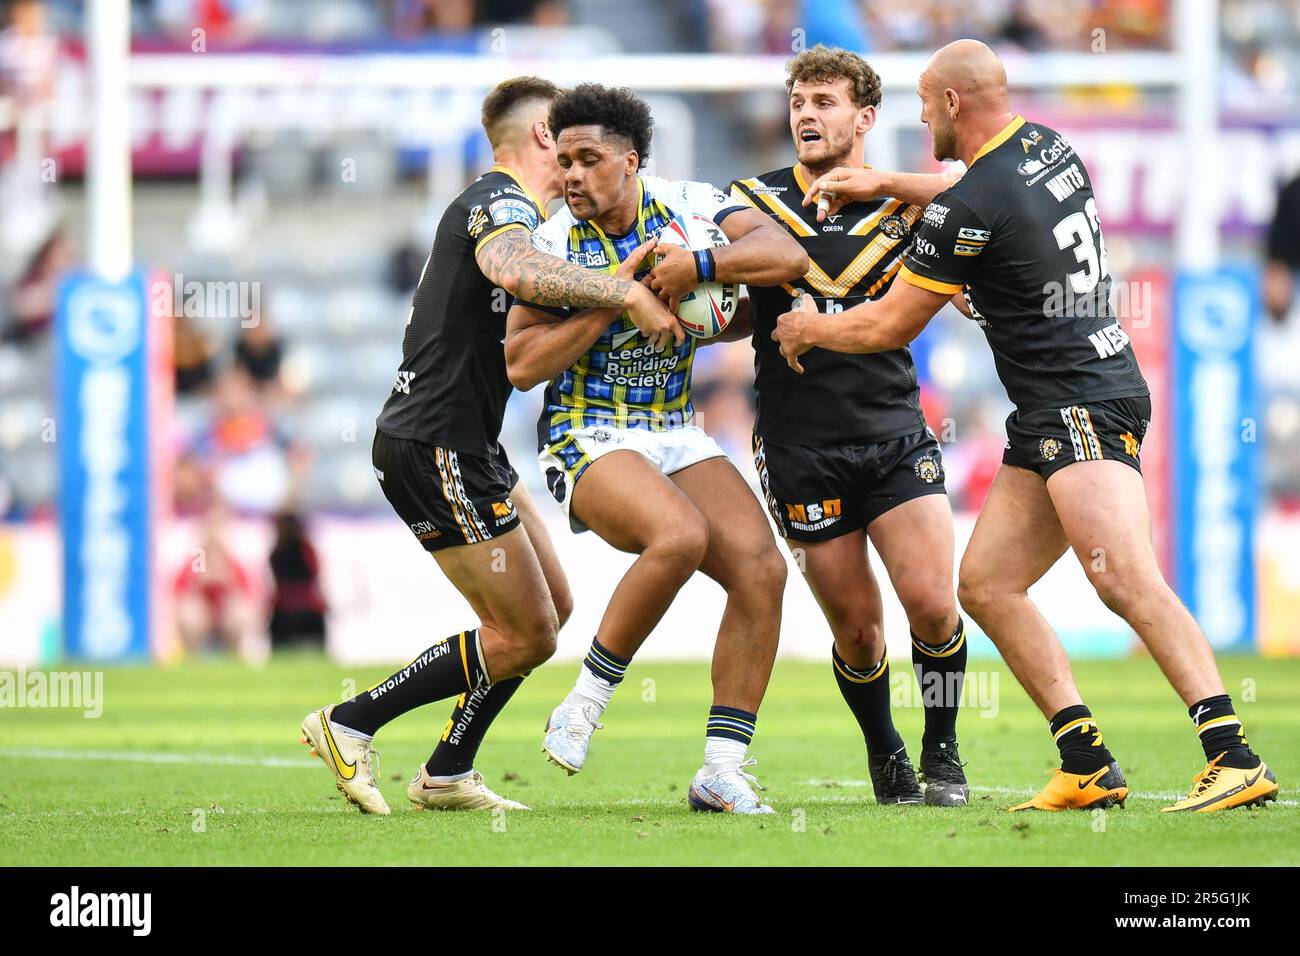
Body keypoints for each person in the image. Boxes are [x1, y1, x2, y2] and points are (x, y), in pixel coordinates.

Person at [775, 39, 1278, 813]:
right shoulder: (1048, 145)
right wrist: (884, 181)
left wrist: (809, 332)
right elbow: (972, 194)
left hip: (1078, 402)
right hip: (1065, 401)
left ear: (950, 104)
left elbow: (884, 325)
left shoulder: (964, 206)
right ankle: (1086, 761)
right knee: (986, 584)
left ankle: (1232, 755)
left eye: (922, 102)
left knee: (1123, 578)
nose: (917, 116)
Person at [300, 76, 681, 815]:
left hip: (469, 446)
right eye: (566, 142)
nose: (575, 165)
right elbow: (511, 266)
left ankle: (447, 771)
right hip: (433, 442)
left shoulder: (514, 211)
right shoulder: (498, 203)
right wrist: (621, 290)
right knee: (527, 632)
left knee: (551, 610)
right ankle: (351, 722)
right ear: (543, 137)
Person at [506, 83, 807, 814]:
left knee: (763, 569)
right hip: (584, 429)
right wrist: (614, 293)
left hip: (673, 427)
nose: (572, 175)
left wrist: (702, 271)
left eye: (588, 159)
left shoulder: (689, 206)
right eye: (565, 161)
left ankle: (721, 769)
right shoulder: (552, 244)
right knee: (677, 535)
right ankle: (582, 704)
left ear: (630, 160)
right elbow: (519, 364)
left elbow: (786, 253)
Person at [729, 45, 969, 806]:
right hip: (801, 444)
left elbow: (983, 194)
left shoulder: (907, 206)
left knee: (932, 602)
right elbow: (719, 294)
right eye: (800, 101)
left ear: (865, 118)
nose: (807, 113)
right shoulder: (749, 205)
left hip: (896, 430)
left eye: (826, 101)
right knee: (858, 630)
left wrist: (906, 187)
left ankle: (943, 749)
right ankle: (885, 753)